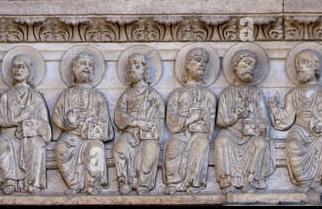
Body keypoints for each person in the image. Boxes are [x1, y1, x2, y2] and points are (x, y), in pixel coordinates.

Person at [269, 48, 322, 191]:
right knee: (293, 143)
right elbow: (285, 118)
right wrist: (273, 107)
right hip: (300, 128)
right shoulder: (293, 94)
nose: (299, 68)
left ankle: (320, 180)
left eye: (303, 64)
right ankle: (304, 180)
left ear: (315, 66)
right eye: (297, 66)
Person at [52, 52, 113, 194]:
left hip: (91, 137)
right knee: (60, 149)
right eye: (83, 64)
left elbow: (105, 121)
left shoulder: (98, 96)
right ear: (73, 69)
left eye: (90, 65)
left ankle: (92, 185)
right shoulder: (66, 94)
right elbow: (57, 116)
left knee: (96, 148)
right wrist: (68, 122)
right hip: (71, 135)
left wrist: (94, 125)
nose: (87, 67)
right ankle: (73, 184)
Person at [0, 54, 51, 194]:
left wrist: (35, 125)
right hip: (8, 134)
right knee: (0, 145)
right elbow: (0, 120)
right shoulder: (5, 96)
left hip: (29, 136)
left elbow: (44, 122)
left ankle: (32, 183)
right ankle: (9, 180)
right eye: (14, 66)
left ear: (29, 71)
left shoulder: (36, 97)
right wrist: (19, 119)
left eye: (21, 66)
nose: (17, 70)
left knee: (37, 144)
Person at [215, 50, 272, 190]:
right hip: (230, 133)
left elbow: (264, 119)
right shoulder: (227, 93)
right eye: (246, 64)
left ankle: (252, 179)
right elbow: (221, 121)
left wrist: (257, 127)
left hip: (251, 135)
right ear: (235, 67)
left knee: (260, 143)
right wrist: (237, 115)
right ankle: (226, 180)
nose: (250, 69)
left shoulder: (256, 93)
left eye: (252, 66)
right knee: (221, 141)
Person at [164, 47, 216, 193]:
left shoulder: (209, 96)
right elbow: (171, 123)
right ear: (187, 65)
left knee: (202, 143)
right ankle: (173, 183)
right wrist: (189, 119)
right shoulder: (176, 94)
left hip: (200, 135)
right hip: (180, 134)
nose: (202, 65)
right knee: (173, 145)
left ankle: (194, 183)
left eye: (205, 62)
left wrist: (202, 125)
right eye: (197, 61)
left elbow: (211, 124)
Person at [113, 51, 164, 194]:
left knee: (151, 151)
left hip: (148, 135)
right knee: (119, 147)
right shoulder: (127, 94)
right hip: (130, 133)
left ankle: (143, 184)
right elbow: (119, 115)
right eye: (130, 67)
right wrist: (137, 122)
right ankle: (124, 180)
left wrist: (150, 128)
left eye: (136, 66)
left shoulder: (154, 96)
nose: (132, 69)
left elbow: (159, 118)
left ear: (145, 70)